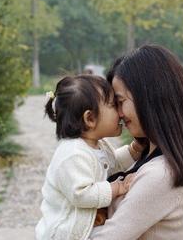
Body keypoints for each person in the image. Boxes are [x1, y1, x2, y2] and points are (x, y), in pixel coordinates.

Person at [89, 44, 183, 240]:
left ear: (148, 99)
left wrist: (62, 227)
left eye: (120, 102)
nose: (119, 114)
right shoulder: (151, 157)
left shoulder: (161, 175)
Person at [35, 75, 145, 240]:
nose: (121, 113)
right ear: (90, 119)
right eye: (113, 105)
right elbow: (81, 194)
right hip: (65, 233)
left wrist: (133, 150)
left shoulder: (97, 145)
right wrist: (117, 188)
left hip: (85, 228)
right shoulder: (72, 154)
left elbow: (112, 164)